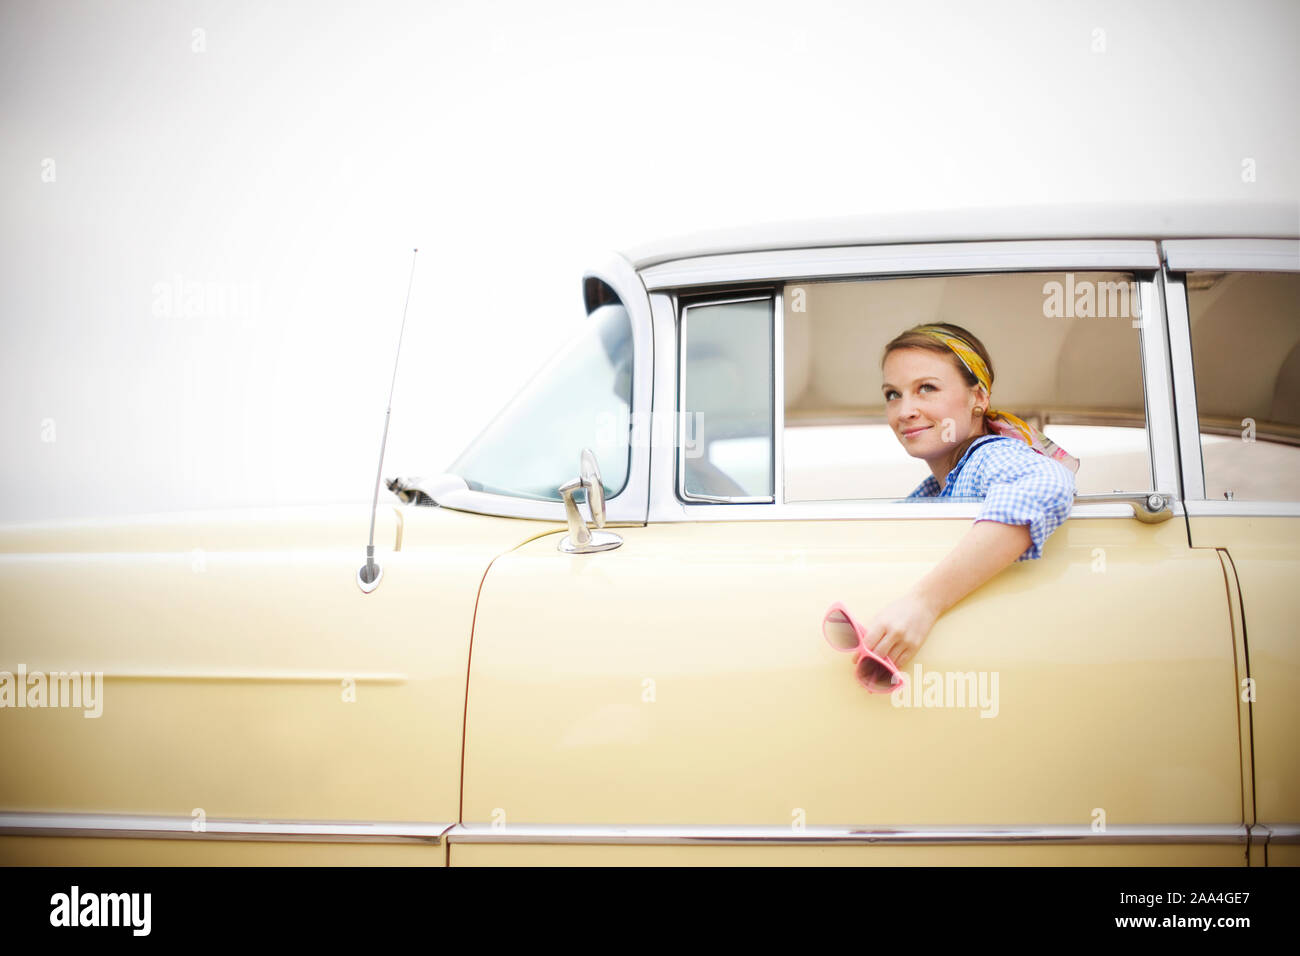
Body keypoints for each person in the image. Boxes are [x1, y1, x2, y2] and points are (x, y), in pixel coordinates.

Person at [860, 322, 1078, 673]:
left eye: (926, 388)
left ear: (979, 398)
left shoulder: (988, 457)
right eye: (893, 394)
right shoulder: (932, 492)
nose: (904, 411)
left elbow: (1048, 481)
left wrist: (923, 604)